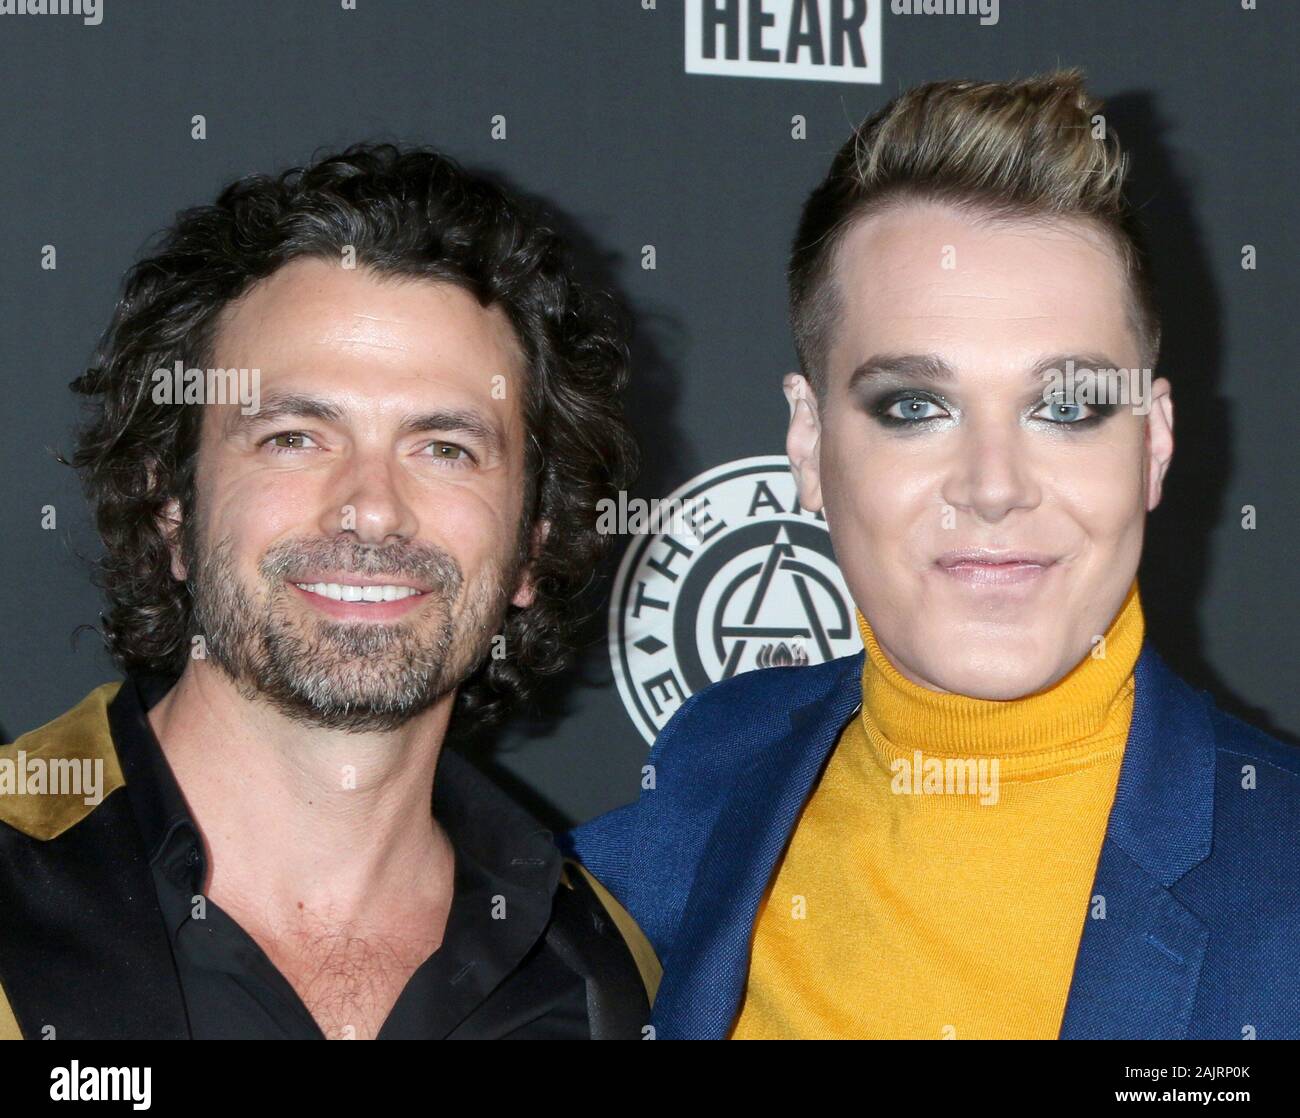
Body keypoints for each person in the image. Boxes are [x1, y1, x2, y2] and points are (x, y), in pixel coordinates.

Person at [568, 70, 1300, 1040]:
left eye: (1067, 406)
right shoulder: (714, 767)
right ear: (808, 443)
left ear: (1153, 443)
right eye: (915, 406)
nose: (993, 485)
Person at [0, 142, 656, 1040]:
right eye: (295, 438)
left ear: (532, 548)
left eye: (445, 449)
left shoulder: (608, 974)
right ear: (170, 507)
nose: (371, 510)